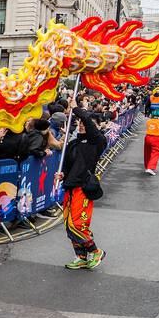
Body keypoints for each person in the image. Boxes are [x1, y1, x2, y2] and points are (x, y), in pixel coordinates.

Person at [55, 106, 106, 269]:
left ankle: (95, 251)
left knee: (77, 225)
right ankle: (81, 256)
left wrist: (76, 109)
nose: (82, 124)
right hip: (70, 188)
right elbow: (68, 166)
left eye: (86, 122)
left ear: (96, 125)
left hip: (83, 189)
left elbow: (90, 127)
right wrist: (62, 174)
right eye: (79, 122)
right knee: (68, 225)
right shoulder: (73, 143)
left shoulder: (97, 142)